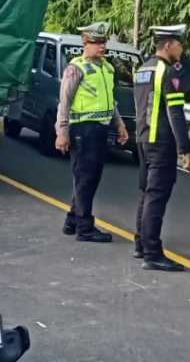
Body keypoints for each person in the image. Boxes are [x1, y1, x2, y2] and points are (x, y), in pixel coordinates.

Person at [55, 22, 129, 243]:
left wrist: (120, 125)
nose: (101, 47)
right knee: (86, 178)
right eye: (97, 43)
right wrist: (62, 132)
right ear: (85, 44)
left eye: (103, 42)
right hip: (82, 130)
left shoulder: (107, 68)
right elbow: (64, 102)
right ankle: (84, 228)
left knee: (88, 178)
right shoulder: (75, 68)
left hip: (100, 129)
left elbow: (110, 102)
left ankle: (72, 220)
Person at [132, 24, 190, 271]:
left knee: (146, 192)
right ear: (168, 44)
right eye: (179, 44)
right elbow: (175, 112)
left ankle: (140, 243)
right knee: (157, 197)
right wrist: (185, 149)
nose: (181, 49)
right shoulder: (169, 73)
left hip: (142, 139)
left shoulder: (142, 69)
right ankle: (152, 253)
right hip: (161, 142)